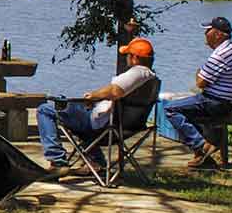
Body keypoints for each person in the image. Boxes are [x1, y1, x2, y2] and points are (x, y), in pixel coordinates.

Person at [38, 38, 159, 167]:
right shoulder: (152, 79)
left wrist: (93, 96)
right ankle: (97, 163)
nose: (126, 58)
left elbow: (114, 91)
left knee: (46, 109)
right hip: (125, 127)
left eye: (127, 55)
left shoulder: (138, 72)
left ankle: (57, 160)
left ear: (135, 57)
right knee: (70, 105)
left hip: (104, 128)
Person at [164, 15, 232, 169]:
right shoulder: (230, 49)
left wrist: (199, 74)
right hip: (225, 102)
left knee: (170, 108)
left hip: (215, 102)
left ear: (218, 34)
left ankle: (202, 146)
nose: (205, 34)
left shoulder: (220, 54)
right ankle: (201, 155)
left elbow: (201, 82)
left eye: (208, 30)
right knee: (185, 108)